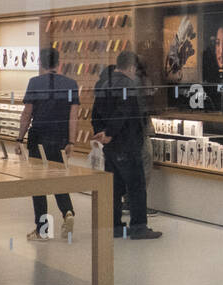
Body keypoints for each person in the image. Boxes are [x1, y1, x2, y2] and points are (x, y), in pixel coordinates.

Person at [93, 52, 159, 239]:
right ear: (131, 67)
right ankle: (139, 226)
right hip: (127, 144)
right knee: (136, 186)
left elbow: (95, 112)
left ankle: (115, 225)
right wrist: (110, 133)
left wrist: (101, 133)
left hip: (111, 145)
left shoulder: (106, 83)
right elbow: (123, 113)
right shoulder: (128, 85)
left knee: (114, 187)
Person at [16, 48, 78, 240]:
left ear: (41, 63)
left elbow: (27, 113)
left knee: (38, 183)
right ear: (59, 62)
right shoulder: (71, 84)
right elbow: (73, 116)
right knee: (58, 176)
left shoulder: (34, 82)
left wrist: (19, 138)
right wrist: (71, 141)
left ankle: (43, 229)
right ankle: (67, 211)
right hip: (60, 137)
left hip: (38, 136)